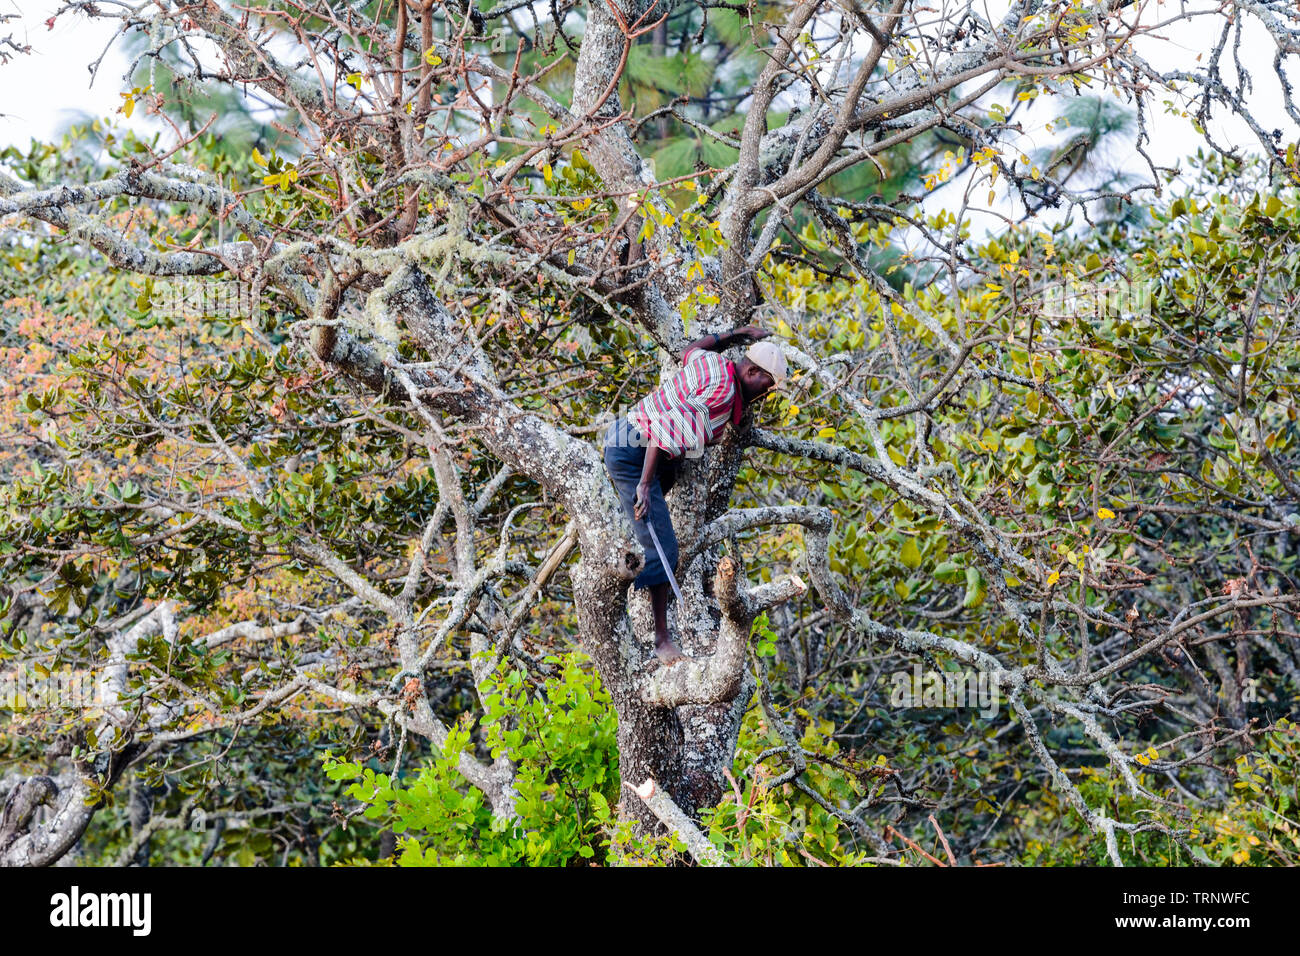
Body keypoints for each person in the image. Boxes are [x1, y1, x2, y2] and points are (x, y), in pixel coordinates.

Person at [602, 326, 788, 663]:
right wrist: (645, 485)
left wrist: (738, 334)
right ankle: (661, 641)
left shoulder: (715, 365)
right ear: (751, 372)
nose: (768, 393)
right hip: (636, 453)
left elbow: (691, 350)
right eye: (768, 384)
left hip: (627, 435)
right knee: (664, 550)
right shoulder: (723, 393)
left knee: (651, 526)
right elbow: (664, 429)